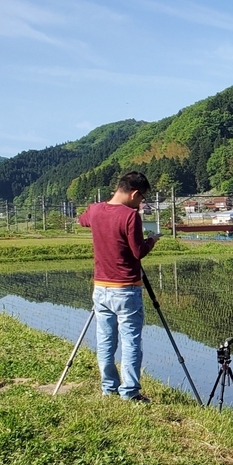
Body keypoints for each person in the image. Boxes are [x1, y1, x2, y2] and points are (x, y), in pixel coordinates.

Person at [77, 171, 160, 402]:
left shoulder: (95, 210)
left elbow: (82, 220)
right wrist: (153, 239)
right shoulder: (130, 216)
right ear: (134, 193)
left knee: (105, 340)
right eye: (141, 198)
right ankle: (130, 393)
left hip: (101, 288)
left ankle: (108, 388)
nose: (140, 203)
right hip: (126, 289)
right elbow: (139, 252)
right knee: (131, 341)